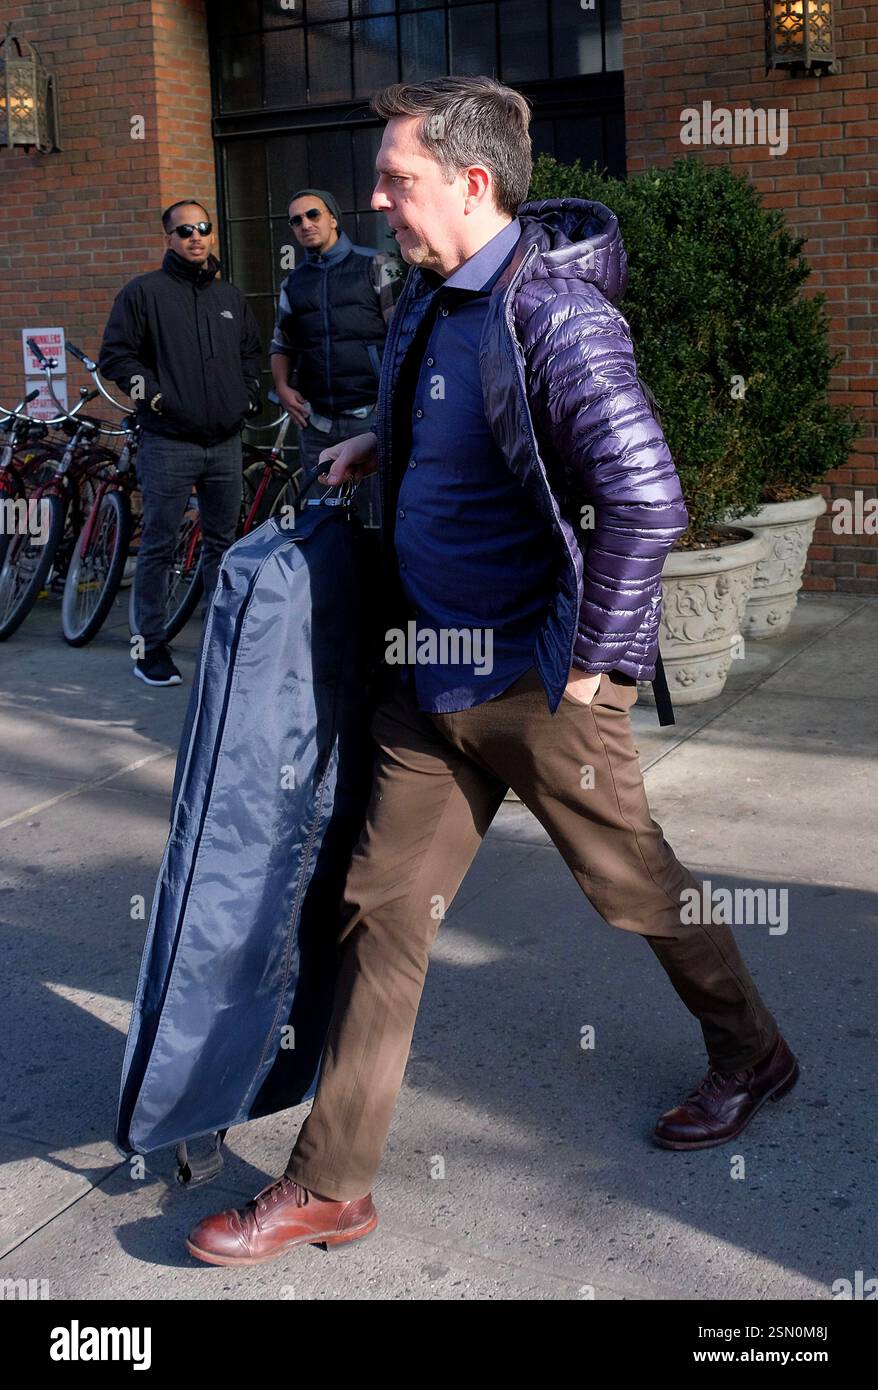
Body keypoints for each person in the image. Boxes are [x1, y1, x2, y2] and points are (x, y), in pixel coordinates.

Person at [185, 77, 798, 1266]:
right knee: (382, 912)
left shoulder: (555, 315)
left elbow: (644, 498)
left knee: (635, 886)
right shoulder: (428, 297)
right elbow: (449, 419)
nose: (374, 200)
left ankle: (749, 1050)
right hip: (428, 675)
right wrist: (379, 442)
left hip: (535, 674)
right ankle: (331, 1183)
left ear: (472, 185)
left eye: (395, 180)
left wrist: (589, 671)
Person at [98, 200, 262, 686]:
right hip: (169, 442)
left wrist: (247, 398)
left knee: (222, 546)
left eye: (203, 228)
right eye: (184, 230)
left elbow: (251, 352)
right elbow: (116, 357)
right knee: (159, 546)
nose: (196, 236)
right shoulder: (143, 293)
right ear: (168, 238)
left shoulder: (229, 295)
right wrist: (158, 399)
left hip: (225, 442)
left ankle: (220, 642)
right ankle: (148, 649)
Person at [269, 187, 403, 528]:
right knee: (322, 524)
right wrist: (282, 388)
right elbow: (281, 344)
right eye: (296, 220)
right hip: (317, 423)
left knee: (382, 520)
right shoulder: (294, 283)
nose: (305, 224)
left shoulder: (377, 265)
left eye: (313, 214)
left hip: (370, 418)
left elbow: (404, 336)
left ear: (332, 218)